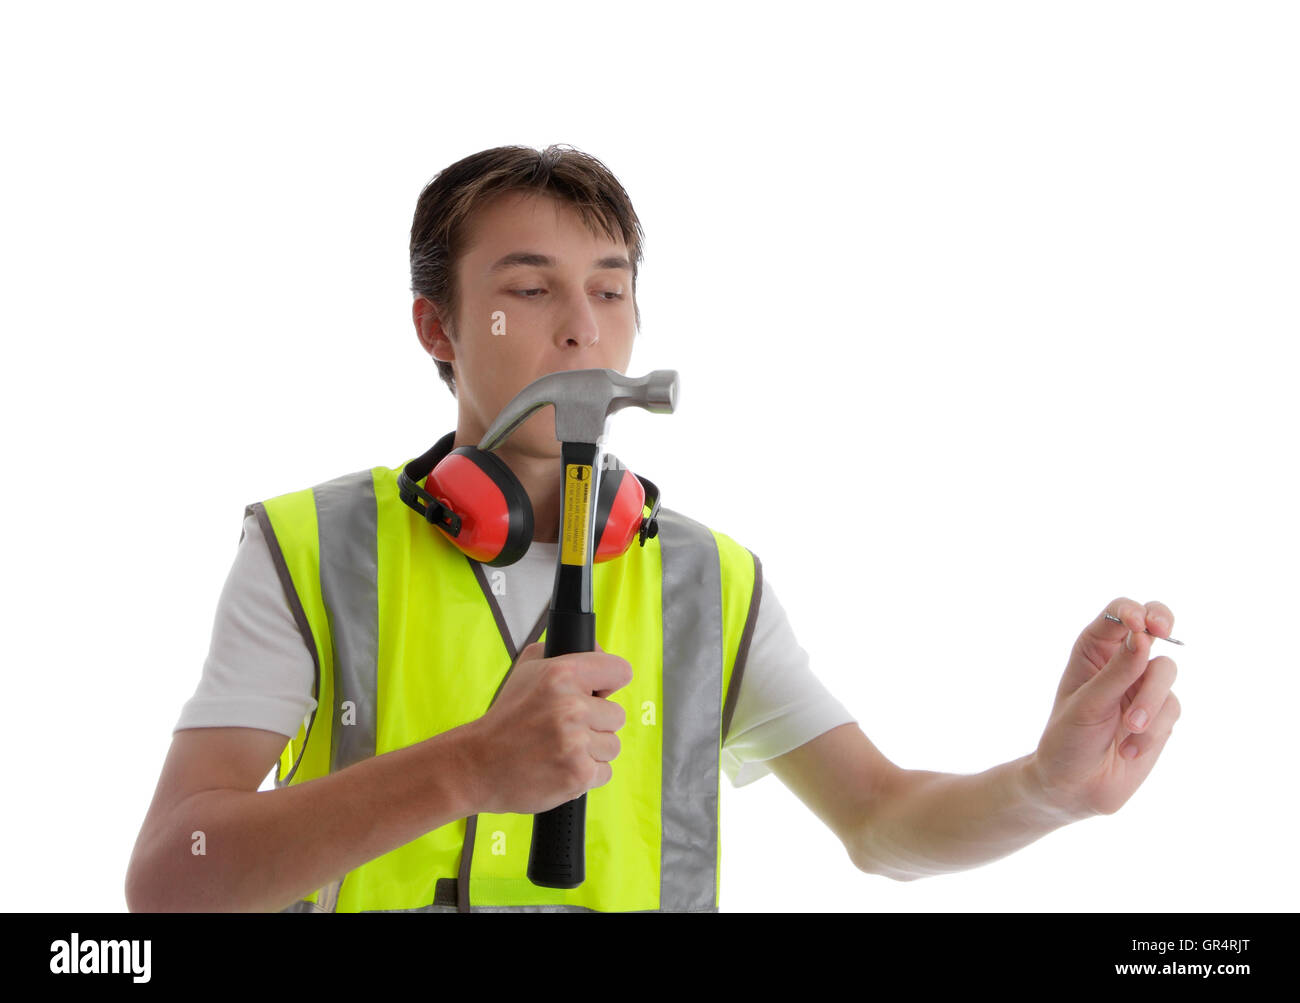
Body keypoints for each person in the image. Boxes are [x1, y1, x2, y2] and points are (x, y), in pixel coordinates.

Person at [125, 144, 1181, 913]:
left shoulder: (708, 581)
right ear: (437, 326)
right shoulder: (311, 547)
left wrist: (1047, 790)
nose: (581, 323)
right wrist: (465, 770)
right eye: (528, 289)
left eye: (610, 289)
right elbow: (174, 876)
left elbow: (883, 824)